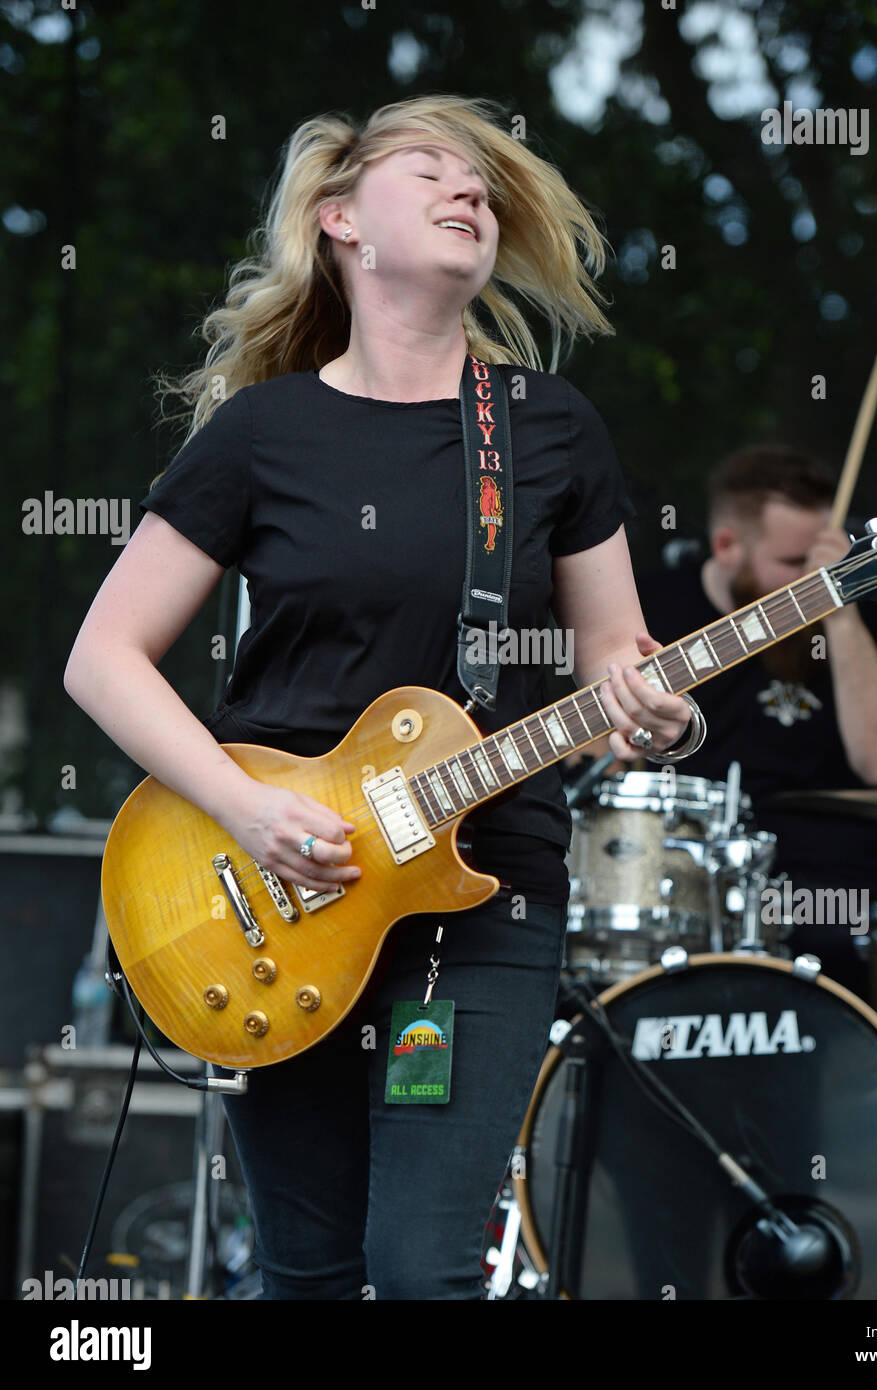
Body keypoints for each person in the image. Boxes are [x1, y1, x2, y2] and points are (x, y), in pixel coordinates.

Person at [62, 95, 696, 1300]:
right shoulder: (264, 432)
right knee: (306, 1271)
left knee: (420, 1271)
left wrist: (658, 705)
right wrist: (248, 815)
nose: (470, 190)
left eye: (481, 182)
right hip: (275, 893)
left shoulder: (547, 429)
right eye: (430, 170)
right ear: (341, 220)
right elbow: (102, 657)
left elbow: (622, 655)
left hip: (482, 889)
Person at [637, 445, 877, 991]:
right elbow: (592, 762)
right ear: (727, 546)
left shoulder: (863, 614)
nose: (813, 578)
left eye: (823, 561)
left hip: (831, 904)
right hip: (677, 895)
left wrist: (841, 613)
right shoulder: (650, 610)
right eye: (796, 565)